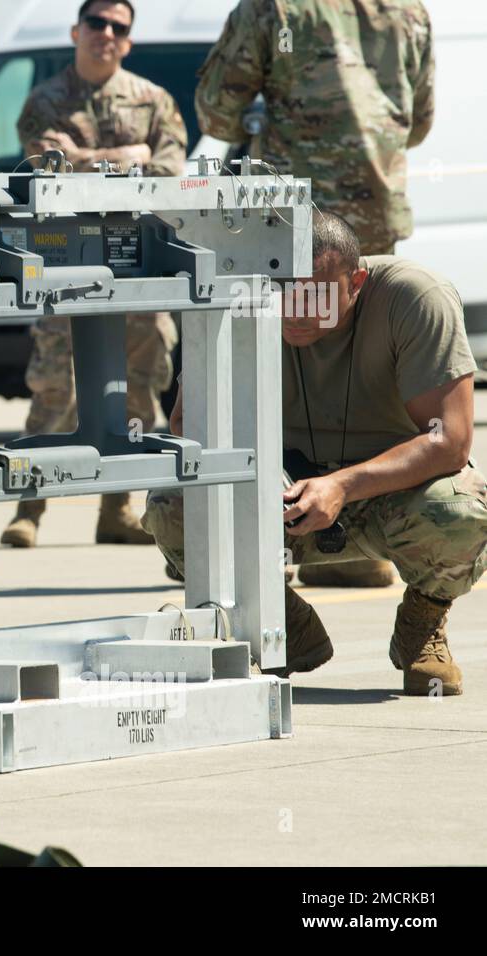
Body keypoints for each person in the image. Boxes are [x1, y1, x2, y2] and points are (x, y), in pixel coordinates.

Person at [142, 212, 482, 696]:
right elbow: (187, 426)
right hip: (285, 493)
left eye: (317, 295)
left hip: (391, 495)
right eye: (283, 292)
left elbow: (449, 440)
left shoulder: (415, 297)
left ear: (357, 280)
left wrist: (343, 485)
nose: (296, 310)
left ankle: (423, 621)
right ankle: (283, 622)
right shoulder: (242, 296)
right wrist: (266, 481)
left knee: (460, 511)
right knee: (173, 506)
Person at [195, 0, 435, 587]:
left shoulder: (273, 9)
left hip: (292, 225)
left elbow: (217, 110)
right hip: (368, 214)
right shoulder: (410, 11)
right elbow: (420, 118)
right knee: (368, 376)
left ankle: (290, 529)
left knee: (277, 373)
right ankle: (358, 541)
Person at [1, 0, 186, 549]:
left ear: (128, 41)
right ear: (76, 32)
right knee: (55, 389)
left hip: (139, 268)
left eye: (119, 27)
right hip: (64, 262)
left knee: (140, 393)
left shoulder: (156, 101)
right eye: (97, 24)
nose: (107, 33)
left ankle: (119, 510)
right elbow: (41, 164)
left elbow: (169, 171)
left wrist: (83, 156)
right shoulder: (44, 101)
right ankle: (29, 510)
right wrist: (127, 155)